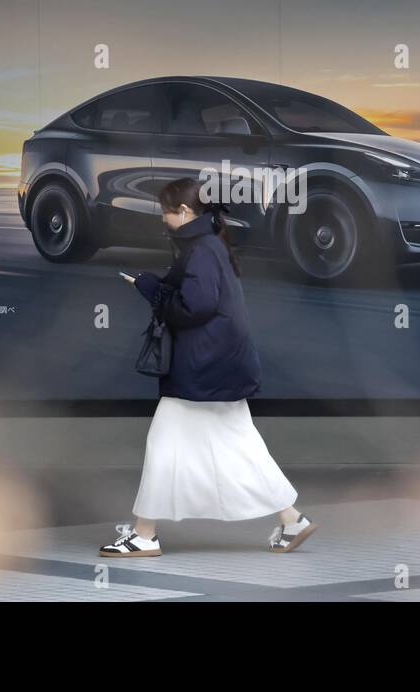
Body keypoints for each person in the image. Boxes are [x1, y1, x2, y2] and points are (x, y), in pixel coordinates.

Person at [99, 176, 318, 556]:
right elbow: (198, 298)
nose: (164, 219)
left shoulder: (199, 248)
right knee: (242, 445)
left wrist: (153, 292)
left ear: (184, 212)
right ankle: (291, 519)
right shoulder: (208, 244)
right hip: (223, 367)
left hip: (203, 368)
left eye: (167, 212)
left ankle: (145, 535)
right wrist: (153, 284)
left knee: (164, 443)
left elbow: (194, 307)